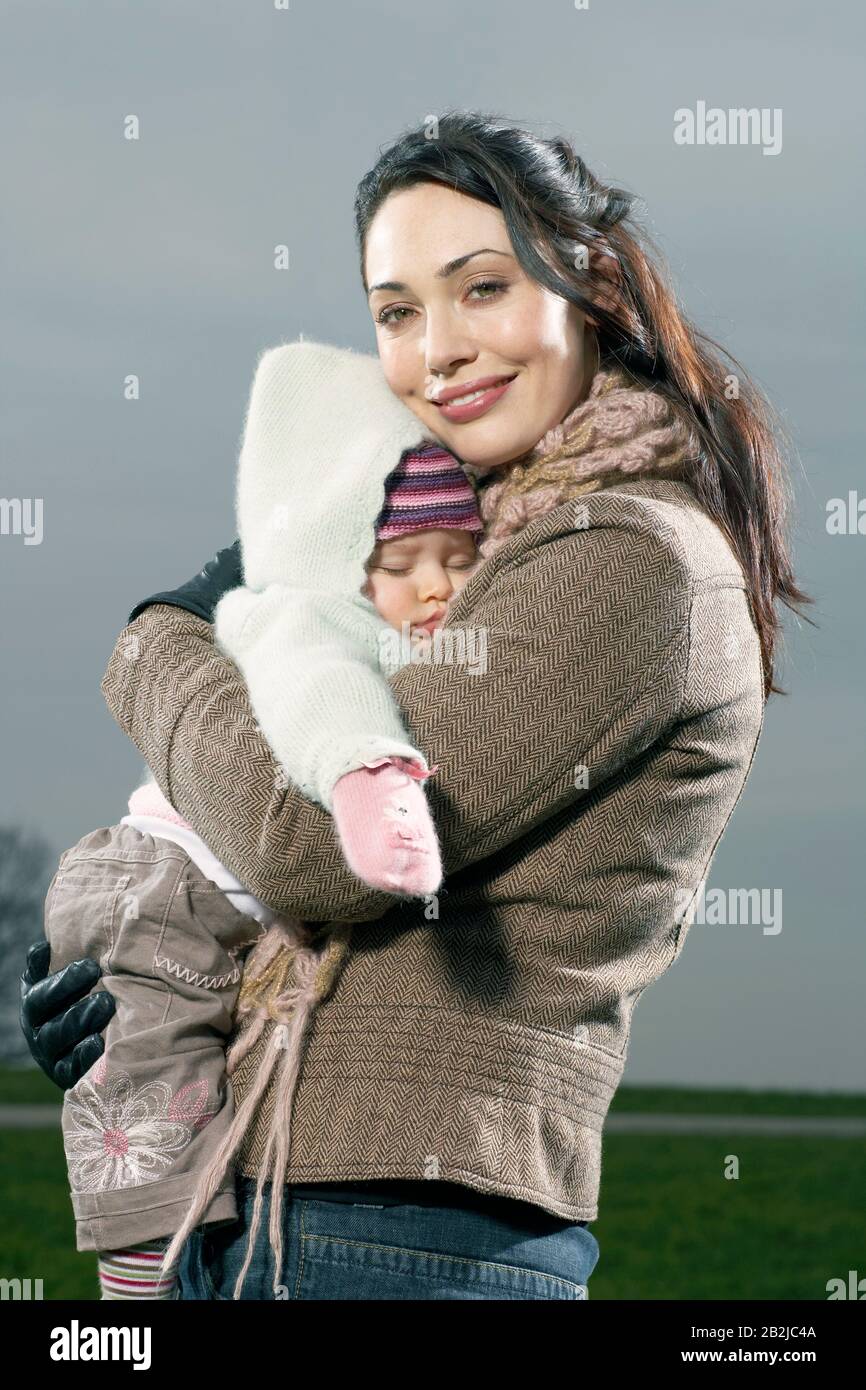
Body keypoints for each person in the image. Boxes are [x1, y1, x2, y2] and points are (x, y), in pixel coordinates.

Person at [21, 110, 812, 1301]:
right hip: (268, 1201)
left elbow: (306, 850)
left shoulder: (629, 556)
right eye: (396, 311)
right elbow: (264, 831)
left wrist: (161, 637)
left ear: (586, 287)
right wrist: (143, 987)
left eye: (480, 287)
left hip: (402, 1235)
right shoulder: (462, 551)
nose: (436, 349)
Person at [41, 418, 484, 1299]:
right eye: (399, 566)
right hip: (165, 883)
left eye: (461, 559)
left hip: (195, 893)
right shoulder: (322, 650)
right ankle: (134, 1273)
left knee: (161, 1064)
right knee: (147, 1069)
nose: (434, 587)